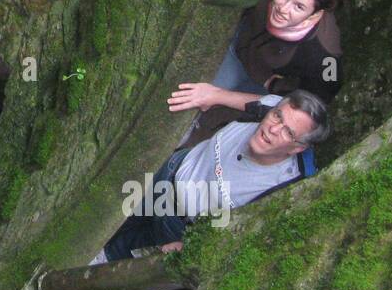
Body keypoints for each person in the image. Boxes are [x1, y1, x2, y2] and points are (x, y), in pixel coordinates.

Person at [92, 90, 330, 264]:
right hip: (169, 173)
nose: (273, 128)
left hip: (179, 226)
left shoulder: (283, 189)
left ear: (297, 148)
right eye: (278, 117)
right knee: (112, 215)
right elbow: (256, 102)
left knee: (122, 251)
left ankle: (98, 258)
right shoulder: (271, 106)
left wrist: (194, 247)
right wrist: (213, 94)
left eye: (289, 132)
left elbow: (249, 235)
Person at [170, 0, 343, 147]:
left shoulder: (324, 57)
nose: (283, 9)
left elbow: (308, 107)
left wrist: (217, 95)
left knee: (195, 99)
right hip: (241, 42)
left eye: (299, 7)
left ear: (316, 13)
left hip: (266, 86)